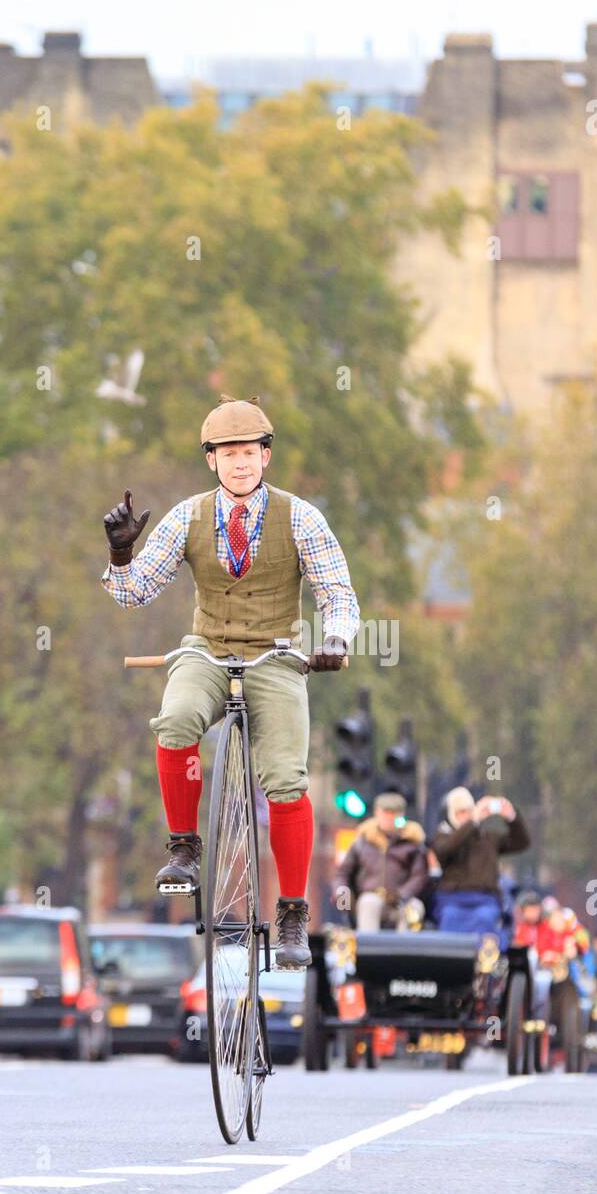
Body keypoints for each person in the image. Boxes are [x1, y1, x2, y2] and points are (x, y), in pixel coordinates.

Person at [100, 395, 360, 968]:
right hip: (207, 650)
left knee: (287, 778)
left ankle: (292, 913)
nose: (240, 464)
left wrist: (336, 638)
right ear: (211, 461)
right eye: (228, 454)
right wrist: (121, 554)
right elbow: (132, 593)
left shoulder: (302, 517)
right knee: (175, 719)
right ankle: (184, 848)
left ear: (265, 457)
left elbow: (337, 593)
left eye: (250, 453)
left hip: (277, 657)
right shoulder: (188, 516)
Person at [429, 787, 530, 942]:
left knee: (485, 919)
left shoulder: (488, 839)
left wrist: (512, 817)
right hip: (452, 898)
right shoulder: (443, 837)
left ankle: (486, 960)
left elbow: (521, 842)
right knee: (450, 918)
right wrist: (472, 822)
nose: (465, 816)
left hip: (485, 898)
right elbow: (444, 850)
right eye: (460, 813)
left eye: (468, 811)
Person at [332, 792, 428, 931]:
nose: (390, 818)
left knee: (415, 908)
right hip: (369, 897)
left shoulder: (412, 844)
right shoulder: (363, 841)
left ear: (402, 815)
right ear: (377, 813)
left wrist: (402, 894)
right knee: (369, 903)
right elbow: (342, 873)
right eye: (386, 813)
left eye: (394, 814)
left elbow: (419, 876)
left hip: (400, 900)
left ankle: (406, 951)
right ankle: (369, 949)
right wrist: (342, 894)